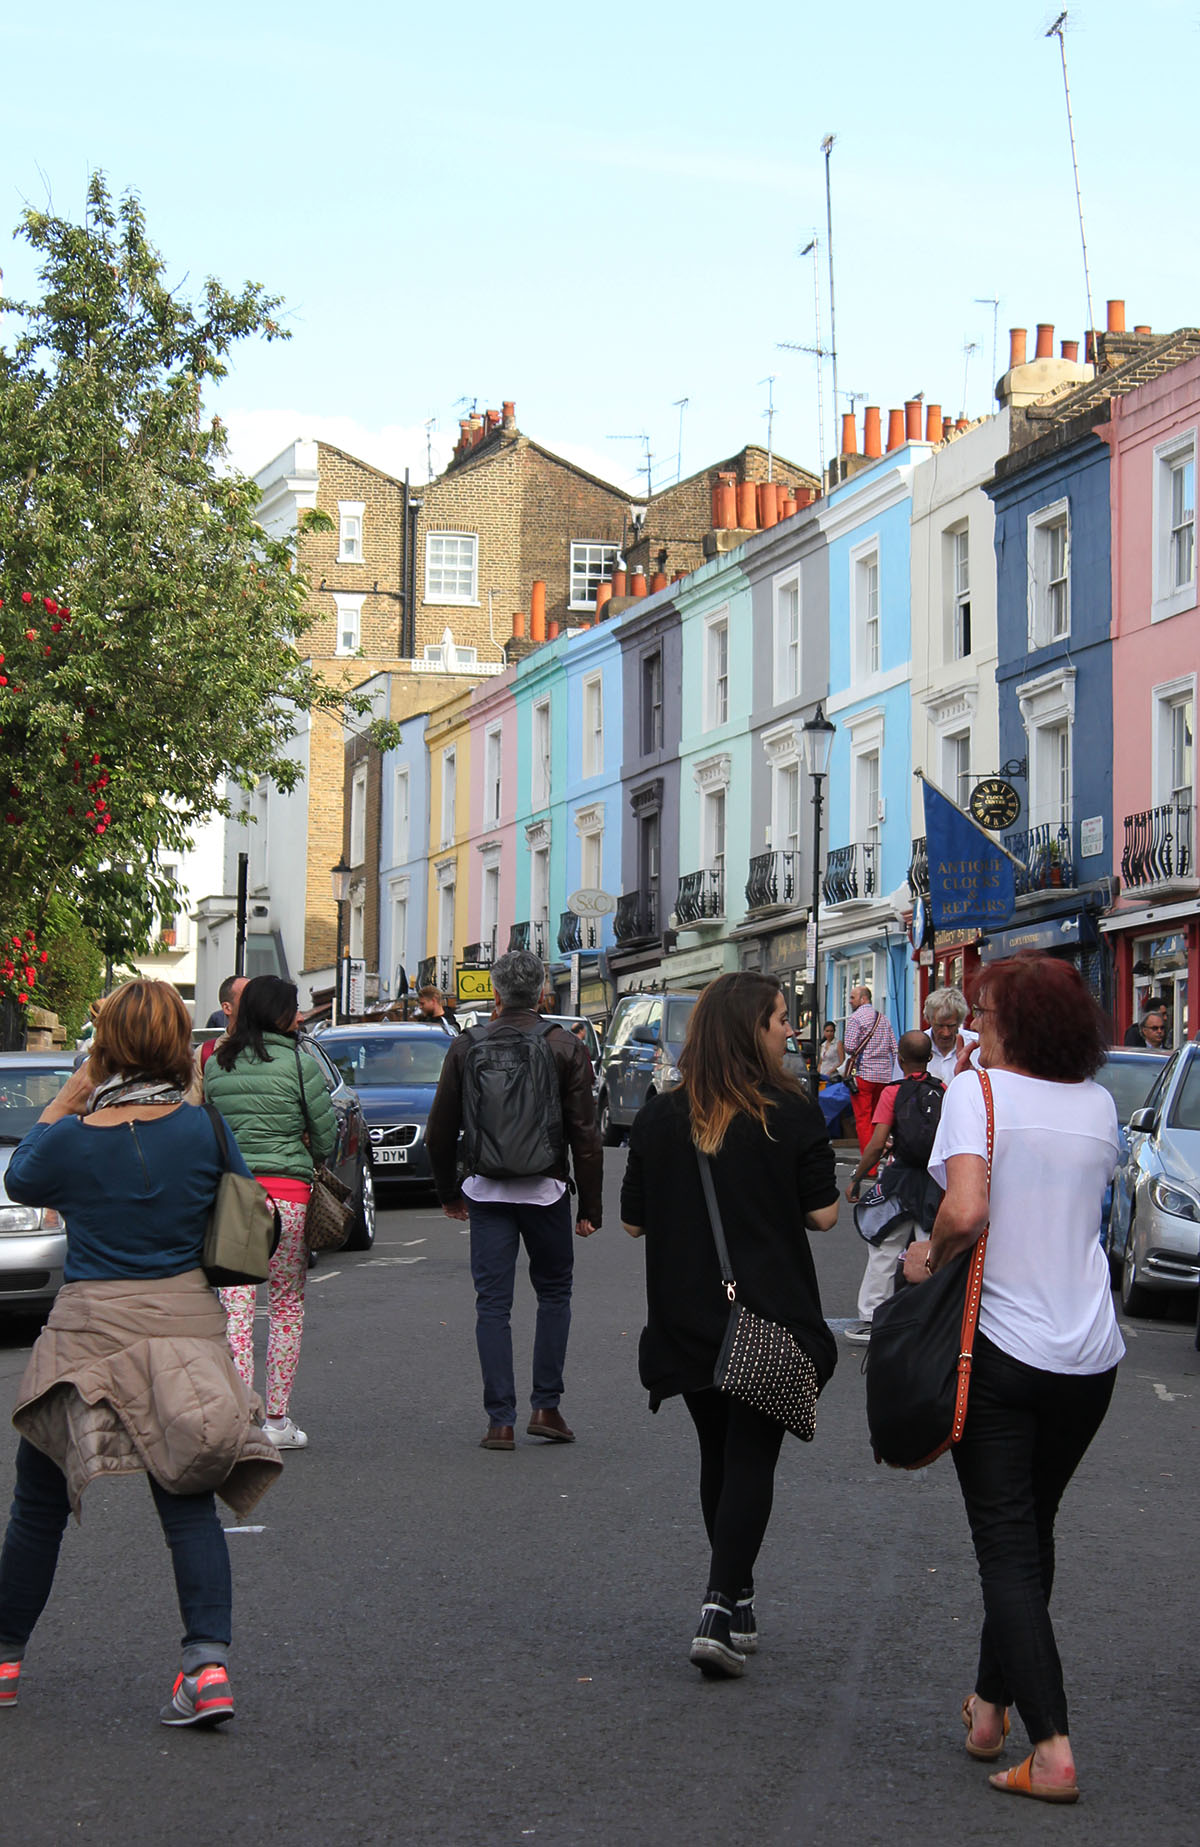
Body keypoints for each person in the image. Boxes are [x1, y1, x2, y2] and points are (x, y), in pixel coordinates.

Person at [0, 979, 281, 1728]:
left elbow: (20, 1173)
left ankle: (3, 1659)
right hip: (182, 1336)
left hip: (85, 1337)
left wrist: (75, 1087)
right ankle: (207, 1668)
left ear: (107, 1049)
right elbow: (249, 1207)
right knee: (187, 1501)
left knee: (37, 1507)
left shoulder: (71, 1137)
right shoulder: (202, 1128)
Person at [900, 953, 1122, 1805]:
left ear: (1016, 1023)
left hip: (1001, 1350)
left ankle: (1054, 1747)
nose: (975, 1027)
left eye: (986, 1013)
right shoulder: (1099, 1105)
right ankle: (990, 1708)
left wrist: (928, 1256)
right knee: (1032, 1528)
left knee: (1004, 1544)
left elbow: (964, 1209)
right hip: (1090, 1359)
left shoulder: (977, 1094)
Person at [621, 973, 839, 1679]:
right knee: (751, 1457)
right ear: (754, 1028)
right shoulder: (792, 1111)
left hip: (686, 1314)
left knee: (719, 1453)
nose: (789, 1029)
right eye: (781, 1017)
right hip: (768, 1311)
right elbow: (824, 1215)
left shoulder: (658, 1116)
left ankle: (738, 1596)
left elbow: (632, 1219)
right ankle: (719, 1602)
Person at [425, 949, 602, 1450]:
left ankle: (499, 1419)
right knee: (554, 1296)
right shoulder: (565, 1046)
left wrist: (448, 1193)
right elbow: (585, 1134)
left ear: (496, 995)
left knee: (493, 1305)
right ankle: (546, 1406)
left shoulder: (466, 1046)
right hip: (545, 1191)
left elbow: (440, 1132)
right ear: (544, 992)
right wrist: (590, 1207)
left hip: (487, 1192)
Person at [203, 975, 338, 1450]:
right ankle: (278, 1420)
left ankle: (244, 1417)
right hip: (289, 1194)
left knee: (235, 1308)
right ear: (278, 1013)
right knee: (285, 1305)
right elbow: (326, 1138)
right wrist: (307, 1154)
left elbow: (208, 1132)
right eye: (293, 1007)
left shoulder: (216, 1065)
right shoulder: (302, 1065)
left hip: (236, 1195)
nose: (299, 1014)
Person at [842, 1031, 944, 1344]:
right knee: (932, 1246)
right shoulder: (942, 1089)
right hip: (934, 1180)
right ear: (930, 1058)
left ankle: (872, 1317)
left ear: (899, 1060)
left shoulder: (893, 1092)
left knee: (885, 1244)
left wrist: (858, 1177)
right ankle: (935, 1315)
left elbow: (875, 1144)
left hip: (900, 1180)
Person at [842, 985, 899, 1159]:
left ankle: (870, 1164)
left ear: (863, 999)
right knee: (879, 1120)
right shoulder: (883, 1019)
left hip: (864, 1075)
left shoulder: (855, 1018)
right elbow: (894, 1048)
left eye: (853, 997)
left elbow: (850, 1047)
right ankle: (881, 1155)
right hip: (883, 1077)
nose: (850, 1001)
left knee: (863, 1120)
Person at [924, 986, 980, 1087]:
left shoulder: (976, 1045)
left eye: (951, 1026)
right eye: (940, 1025)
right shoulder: (915, 1046)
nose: (946, 1033)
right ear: (928, 1019)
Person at [200, 973, 248, 1074]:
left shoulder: (274, 1048)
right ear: (227, 1008)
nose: (255, 1001)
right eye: (247, 996)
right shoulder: (204, 1053)